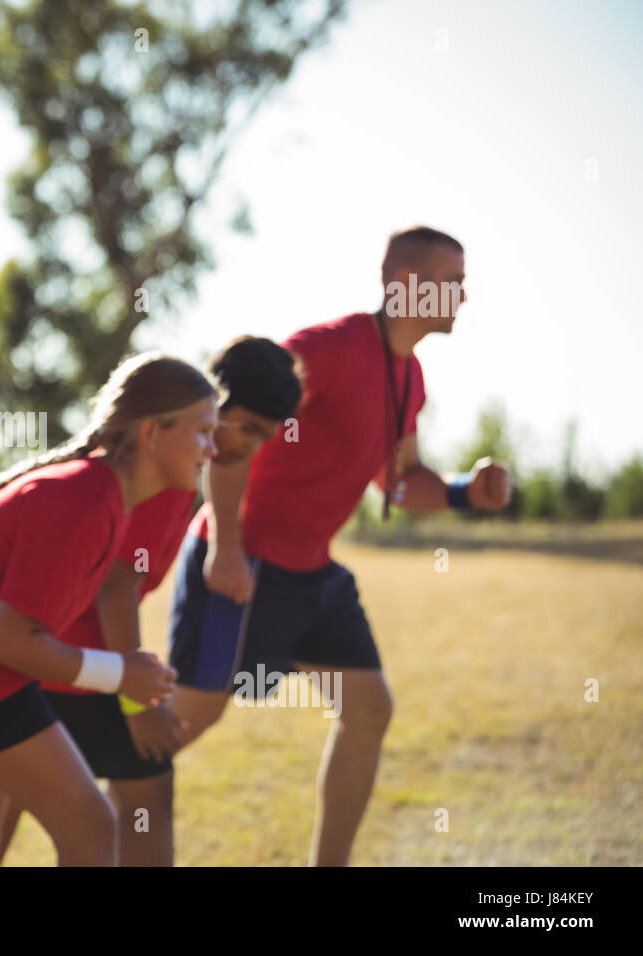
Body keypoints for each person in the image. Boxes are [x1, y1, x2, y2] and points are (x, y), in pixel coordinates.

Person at [169, 227, 512, 866]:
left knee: (370, 707)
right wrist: (228, 547)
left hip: (312, 576)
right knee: (182, 723)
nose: (464, 296)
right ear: (402, 284)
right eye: (453, 281)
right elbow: (232, 428)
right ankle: (80, 797)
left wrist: (470, 493)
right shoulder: (325, 351)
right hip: (238, 562)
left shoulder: (410, 379)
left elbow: (402, 483)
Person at [0, 352, 216, 866]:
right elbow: (9, 640)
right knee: (91, 825)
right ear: (152, 433)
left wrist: (121, 676)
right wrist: (121, 674)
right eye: (202, 431)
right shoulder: (85, 495)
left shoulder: (102, 495)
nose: (212, 448)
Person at [0, 337, 301, 866]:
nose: (252, 447)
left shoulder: (173, 470)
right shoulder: (164, 478)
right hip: (57, 666)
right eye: (245, 429)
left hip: (61, 667)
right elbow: (117, 590)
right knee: (134, 789)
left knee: (6, 822)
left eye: (266, 438)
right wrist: (136, 703)